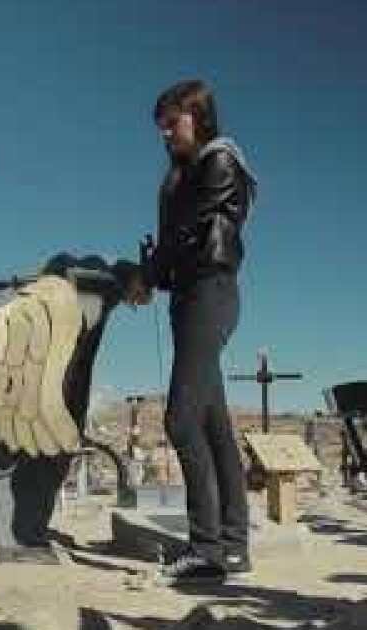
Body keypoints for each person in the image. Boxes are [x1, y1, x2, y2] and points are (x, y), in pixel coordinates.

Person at [127, 79, 258, 582]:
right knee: (214, 426)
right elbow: (176, 236)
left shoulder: (218, 161)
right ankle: (234, 545)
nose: (164, 132)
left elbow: (190, 232)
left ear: (199, 116)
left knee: (182, 421)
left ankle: (206, 550)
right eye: (161, 124)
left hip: (210, 292)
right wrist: (155, 275)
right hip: (192, 295)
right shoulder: (185, 171)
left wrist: (149, 276)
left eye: (172, 121)